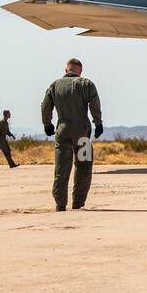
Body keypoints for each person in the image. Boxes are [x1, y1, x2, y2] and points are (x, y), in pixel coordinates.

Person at [40, 58, 103, 211]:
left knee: (61, 168)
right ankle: (78, 202)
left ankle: (60, 203)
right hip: (82, 133)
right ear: (80, 71)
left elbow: (45, 106)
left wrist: (47, 123)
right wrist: (98, 123)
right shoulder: (87, 84)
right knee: (84, 166)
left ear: (66, 70)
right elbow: (95, 104)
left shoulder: (55, 85)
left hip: (63, 131)